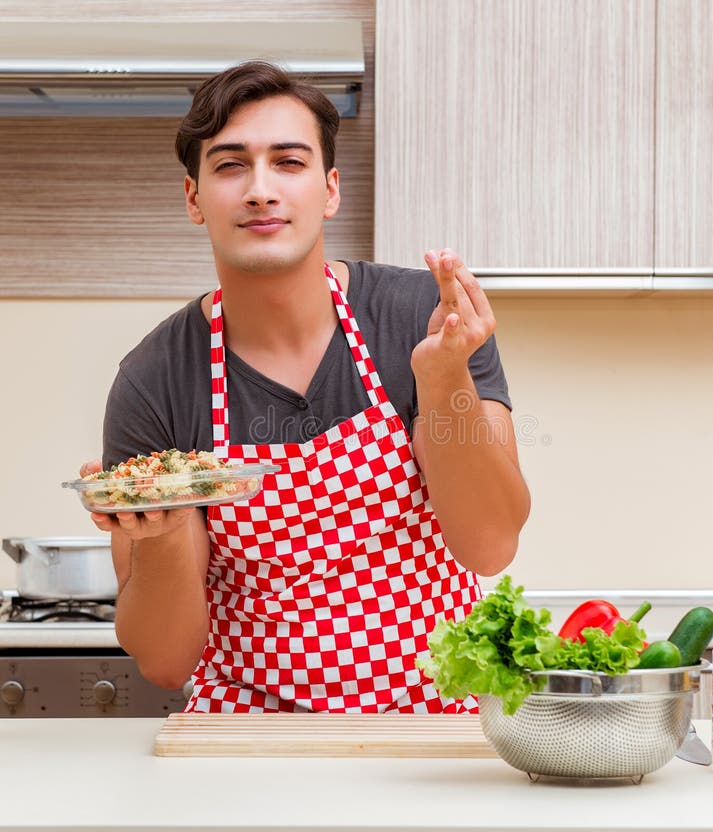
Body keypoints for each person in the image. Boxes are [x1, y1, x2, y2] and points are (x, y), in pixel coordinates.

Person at [84, 60, 530, 714]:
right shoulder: (156, 379)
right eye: (231, 165)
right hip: (247, 736)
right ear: (193, 198)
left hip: (441, 732)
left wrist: (442, 380)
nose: (260, 190)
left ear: (328, 191)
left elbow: (490, 545)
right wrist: (164, 529)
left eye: (288, 163)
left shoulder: (422, 320)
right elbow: (164, 659)